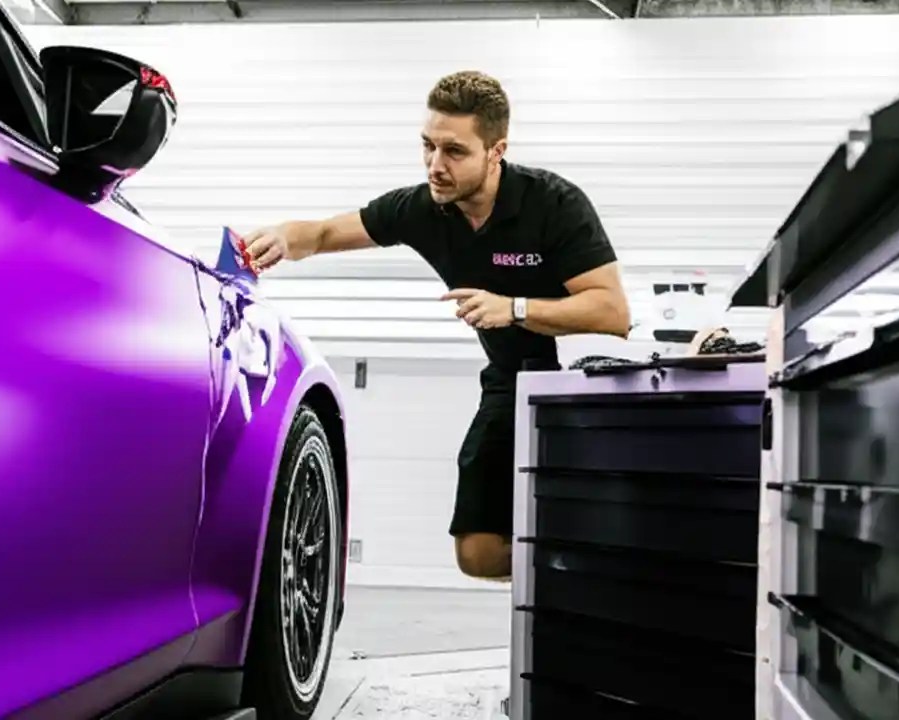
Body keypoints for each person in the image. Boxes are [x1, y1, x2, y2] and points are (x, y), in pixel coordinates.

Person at [240, 70, 631, 580]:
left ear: (496, 151)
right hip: (509, 378)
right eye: (428, 146)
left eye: (454, 151)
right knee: (478, 554)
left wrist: (513, 308)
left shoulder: (554, 204)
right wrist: (283, 239)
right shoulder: (424, 208)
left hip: (571, 382)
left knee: (575, 512)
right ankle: (594, 568)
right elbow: (326, 232)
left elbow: (613, 313)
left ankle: (615, 569)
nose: (435, 165)